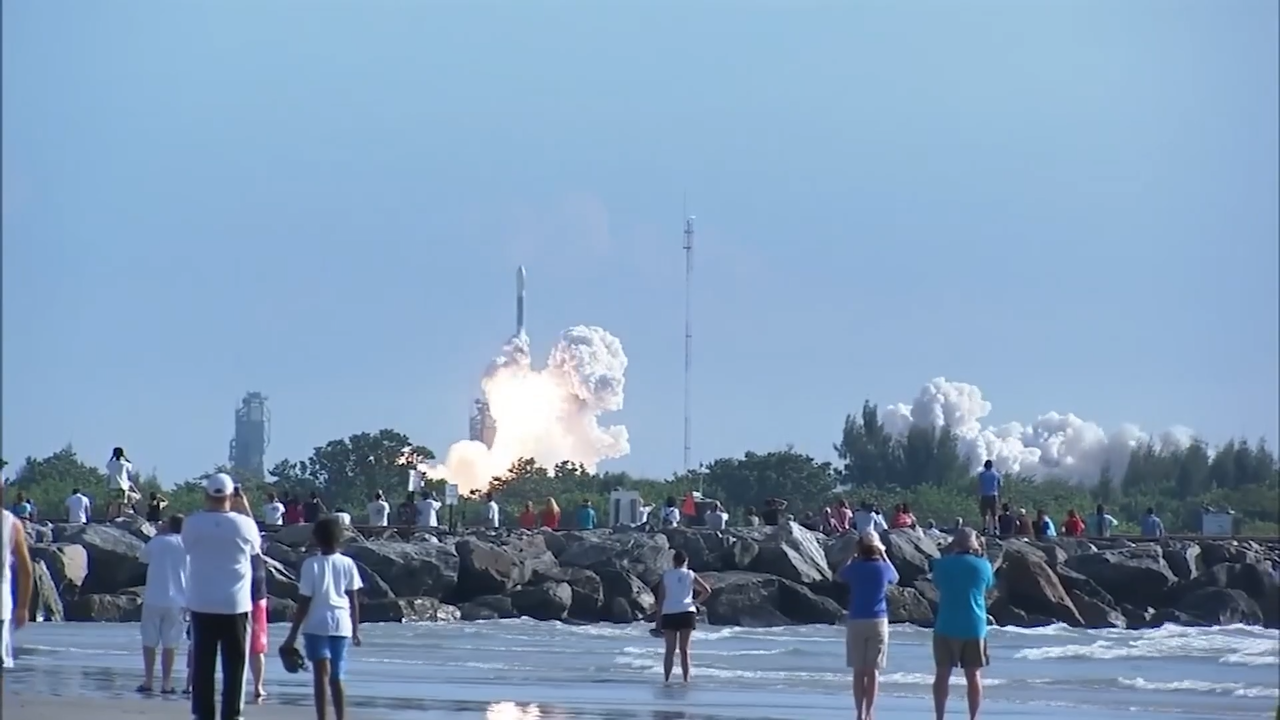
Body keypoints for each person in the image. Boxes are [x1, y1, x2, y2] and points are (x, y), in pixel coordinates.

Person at [182, 473, 262, 720]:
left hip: (202, 602)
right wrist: (242, 509)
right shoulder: (244, 524)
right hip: (235, 604)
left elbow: (186, 546)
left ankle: (203, 713)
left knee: (203, 665)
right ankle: (232, 713)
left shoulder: (193, 523)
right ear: (231, 495)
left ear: (206, 495)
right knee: (234, 665)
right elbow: (255, 549)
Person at [282, 518, 364, 720]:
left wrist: (292, 635)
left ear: (316, 539)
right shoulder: (348, 564)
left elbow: (304, 602)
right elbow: (353, 601)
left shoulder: (311, 564)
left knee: (321, 677)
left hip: (316, 624)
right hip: (341, 623)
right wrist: (355, 630)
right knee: (337, 677)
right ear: (339, 538)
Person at [930, 528, 995, 720]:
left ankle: (940, 717)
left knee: (942, 674)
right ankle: (973, 717)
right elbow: (988, 586)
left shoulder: (942, 565)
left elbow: (937, 585)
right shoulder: (983, 566)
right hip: (974, 625)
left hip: (946, 623)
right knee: (973, 676)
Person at [838, 529, 899, 720]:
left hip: (856, 619)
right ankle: (869, 713)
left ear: (860, 548)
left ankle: (858, 713)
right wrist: (884, 553)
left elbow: (838, 576)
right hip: (878, 620)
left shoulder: (854, 567)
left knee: (858, 671)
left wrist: (850, 555)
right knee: (872, 671)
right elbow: (896, 578)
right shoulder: (883, 568)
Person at [138, 514, 187, 694]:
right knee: (170, 643)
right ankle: (166, 683)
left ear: (169, 525)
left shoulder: (158, 542)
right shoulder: (186, 544)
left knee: (149, 641)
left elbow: (142, 557)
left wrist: (156, 535)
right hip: (178, 599)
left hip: (154, 597)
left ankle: (149, 680)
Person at [653, 549, 711, 683]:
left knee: (669, 650)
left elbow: (661, 599)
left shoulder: (666, 575)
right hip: (687, 611)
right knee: (684, 650)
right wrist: (695, 602)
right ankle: (686, 680)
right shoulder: (690, 574)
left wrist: (658, 621)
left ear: (673, 561)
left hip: (669, 612)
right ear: (686, 561)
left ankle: (667, 679)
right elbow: (707, 591)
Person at [0, 490, 33, 669]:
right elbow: (25, 568)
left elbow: (26, 569)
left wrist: (22, 607)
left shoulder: (10, 523)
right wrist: (22, 607)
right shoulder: (11, 524)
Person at [249, 553, 269, 699]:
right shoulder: (257, 559)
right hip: (257, 599)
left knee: (255, 648)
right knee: (256, 648)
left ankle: (258, 685)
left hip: (249, 601)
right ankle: (258, 686)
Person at [107, 447, 134, 519]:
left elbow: (107, 465)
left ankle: (112, 517)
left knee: (113, 503)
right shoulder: (124, 464)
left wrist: (112, 457)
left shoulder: (111, 464)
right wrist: (125, 457)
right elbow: (130, 465)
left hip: (113, 486)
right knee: (122, 503)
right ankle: (120, 517)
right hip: (123, 486)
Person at [977, 460, 1001, 535]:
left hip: (984, 495)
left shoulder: (981, 475)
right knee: (994, 514)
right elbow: (1000, 485)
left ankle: (985, 528)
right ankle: (995, 529)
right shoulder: (996, 474)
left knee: (985, 514)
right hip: (993, 495)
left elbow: (979, 485)